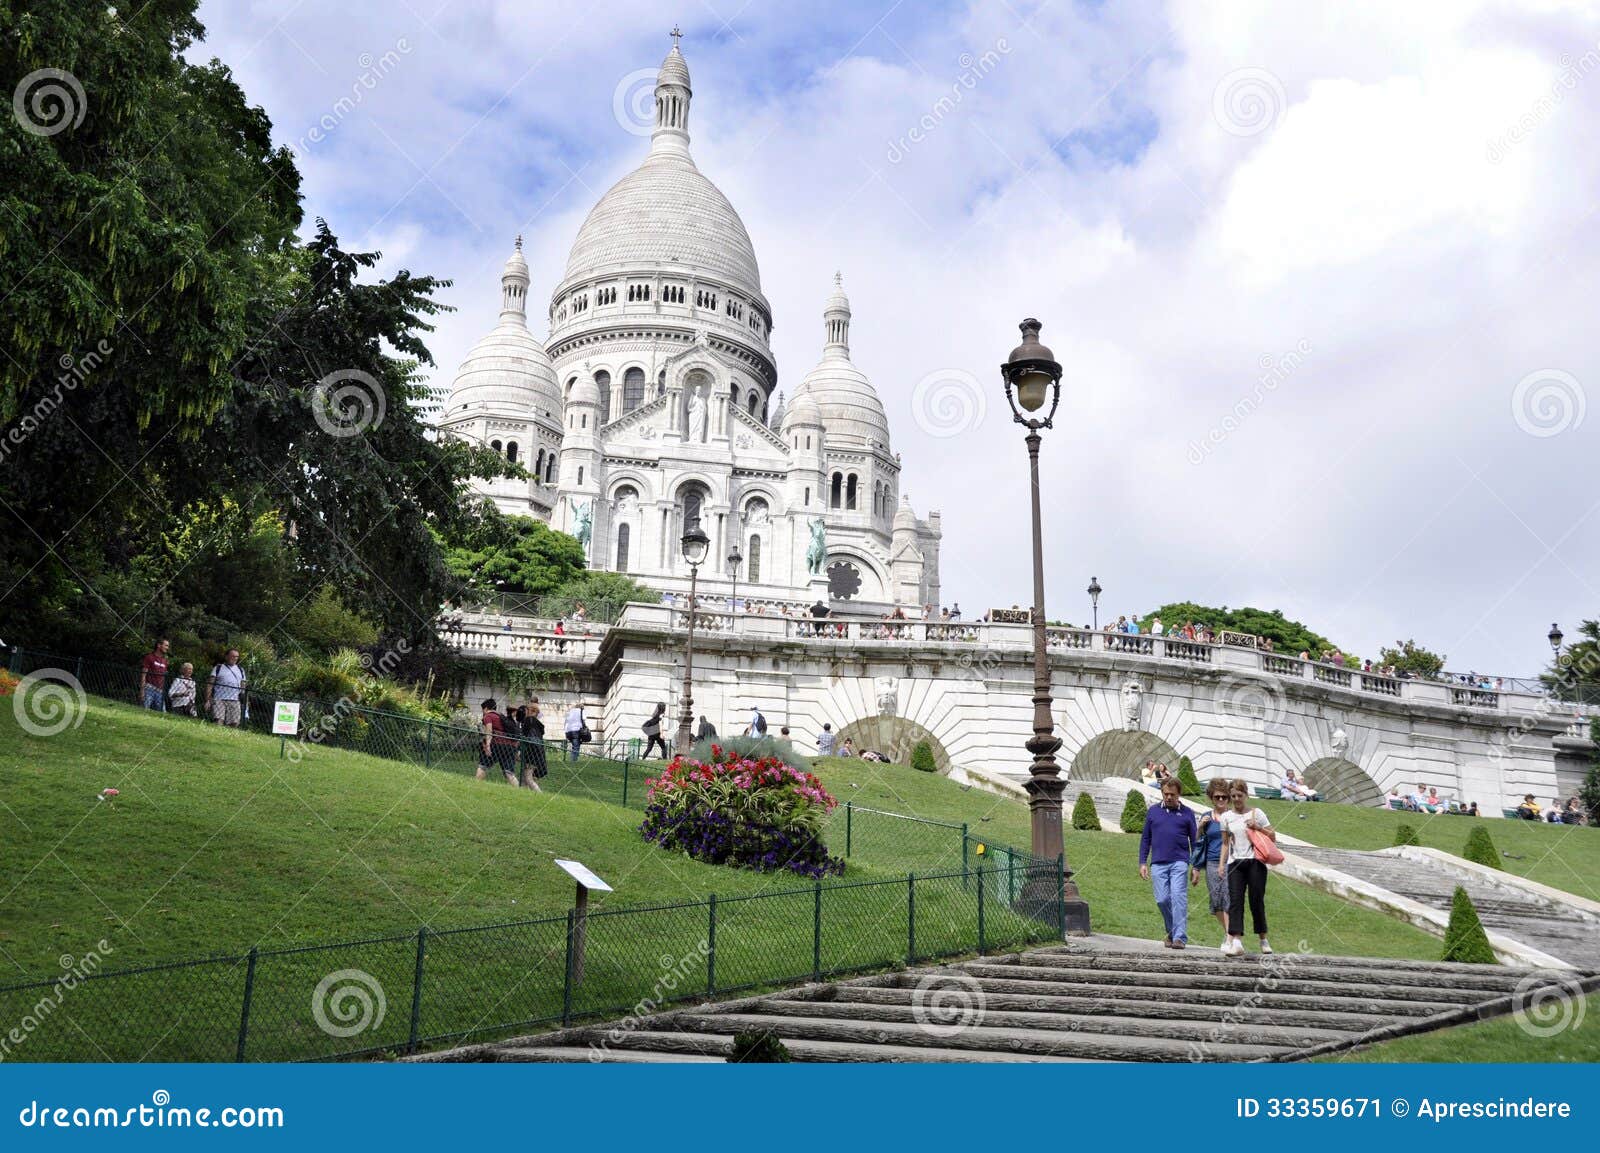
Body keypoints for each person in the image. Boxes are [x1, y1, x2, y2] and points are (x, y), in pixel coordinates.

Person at [1217, 778, 1275, 956]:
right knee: (1235, 902)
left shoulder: (1257, 813)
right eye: (1233, 796)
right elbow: (1225, 843)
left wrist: (1257, 827)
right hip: (1235, 863)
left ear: (1246, 795)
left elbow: (1273, 836)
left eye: (1239, 795)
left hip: (1255, 862)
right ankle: (1236, 941)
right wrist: (1221, 864)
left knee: (1256, 900)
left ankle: (1263, 938)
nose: (1236, 799)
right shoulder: (1226, 817)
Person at [1139, 777, 1197, 949]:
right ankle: (1171, 931)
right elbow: (1145, 839)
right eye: (1166, 794)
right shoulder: (1153, 812)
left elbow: (1194, 842)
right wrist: (1142, 862)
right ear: (1162, 793)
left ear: (1179, 794)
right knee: (1162, 899)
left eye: (1172, 794)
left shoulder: (1187, 813)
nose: (1169, 797)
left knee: (1178, 897)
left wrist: (1196, 866)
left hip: (1180, 861)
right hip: (1158, 863)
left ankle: (1180, 937)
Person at [1193, 779, 1232, 946]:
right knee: (1216, 901)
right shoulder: (1207, 817)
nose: (1221, 800)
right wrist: (1200, 827)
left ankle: (1231, 937)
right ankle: (1228, 933)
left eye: (1224, 797)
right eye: (1217, 797)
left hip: (1232, 863)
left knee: (1228, 899)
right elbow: (1198, 842)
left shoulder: (1233, 816)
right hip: (1211, 862)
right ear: (1211, 798)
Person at [477, 699, 518, 784]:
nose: (483, 712)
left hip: (496, 744)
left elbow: (489, 730)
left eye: (483, 710)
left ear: (485, 708)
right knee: (509, 772)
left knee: (483, 766)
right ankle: (519, 791)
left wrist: (488, 745)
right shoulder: (500, 716)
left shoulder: (488, 716)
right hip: (510, 746)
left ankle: (476, 785)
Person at [204, 648, 247, 727]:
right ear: (226, 657)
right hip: (219, 698)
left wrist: (244, 699)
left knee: (234, 723)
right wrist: (208, 700)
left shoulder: (241, 670)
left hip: (235, 699)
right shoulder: (218, 668)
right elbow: (210, 684)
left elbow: (243, 685)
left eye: (236, 657)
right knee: (218, 720)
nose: (235, 658)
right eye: (232, 656)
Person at [516, 700, 547, 790]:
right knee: (525, 777)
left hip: (530, 752)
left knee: (528, 778)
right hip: (537, 752)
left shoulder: (529, 720)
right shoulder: (537, 724)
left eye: (527, 709)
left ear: (531, 711)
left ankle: (540, 795)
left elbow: (524, 736)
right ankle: (524, 795)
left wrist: (518, 750)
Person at [139, 639, 170, 711]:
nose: (167, 648)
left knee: (163, 713)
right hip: (149, 687)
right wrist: (142, 690)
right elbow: (144, 674)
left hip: (160, 690)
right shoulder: (149, 657)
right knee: (144, 709)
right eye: (166, 645)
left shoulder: (165, 660)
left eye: (168, 646)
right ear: (159, 645)